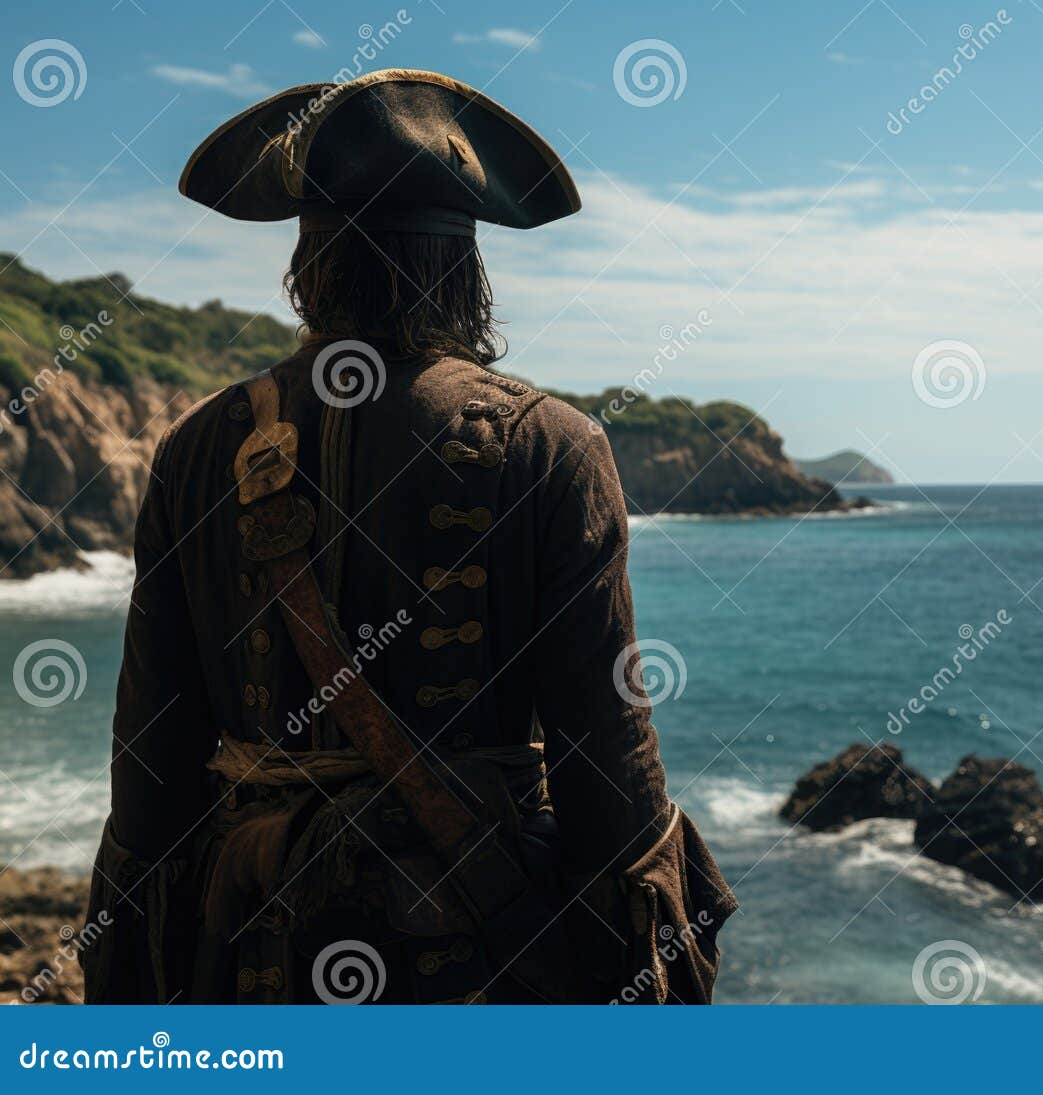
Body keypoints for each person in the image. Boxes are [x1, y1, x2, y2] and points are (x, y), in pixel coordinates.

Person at [82, 69, 734, 1004]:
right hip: (476, 970)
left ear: (307, 264)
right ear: (463, 266)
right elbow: (609, 777)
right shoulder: (551, 445)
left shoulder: (199, 447)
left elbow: (149, 772)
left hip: (252, 966)